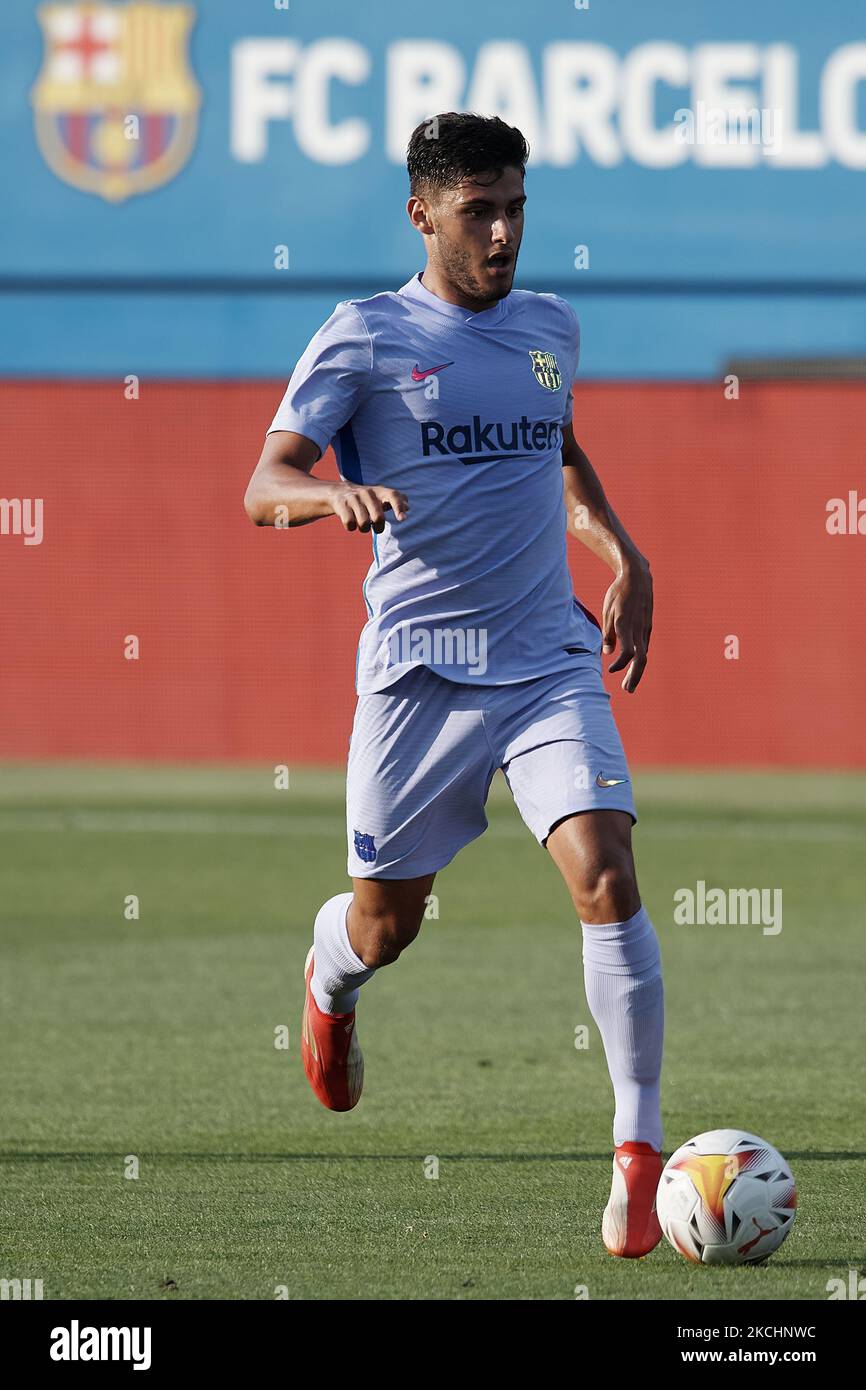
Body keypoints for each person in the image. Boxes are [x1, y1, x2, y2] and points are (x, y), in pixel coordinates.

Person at [244, 112, 660, 1257]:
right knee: (390, 923)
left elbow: (555, 450)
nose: (503, 231)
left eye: (516, 206)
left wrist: (618, 554)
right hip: (420, 678)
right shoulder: (364, 336)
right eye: (479, 209)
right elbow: (262, 481)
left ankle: (637, 1148)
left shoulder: (549, 327)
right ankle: (331, 979)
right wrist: (331, 498)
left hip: (544, 660)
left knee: (605, 870)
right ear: (422, 214)